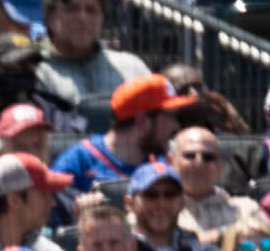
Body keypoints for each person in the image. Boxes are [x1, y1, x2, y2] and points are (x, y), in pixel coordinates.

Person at [53, 70, 184, 192]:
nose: (176, 126)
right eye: (169, 118)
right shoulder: (78, 161)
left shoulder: (167, 162)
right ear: (142, 120)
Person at [168, 125, 260, 246]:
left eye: (208, 157)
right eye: (190, 155)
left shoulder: (247, 210)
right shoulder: (158, 211)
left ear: (220, 166)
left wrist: (222, 234)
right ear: (171, 162)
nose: (199, 163)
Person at [128, 159, 205, 251]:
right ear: (130, 203)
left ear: (182, 202)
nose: (161, 204)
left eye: (170, 194)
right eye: (151, 195)